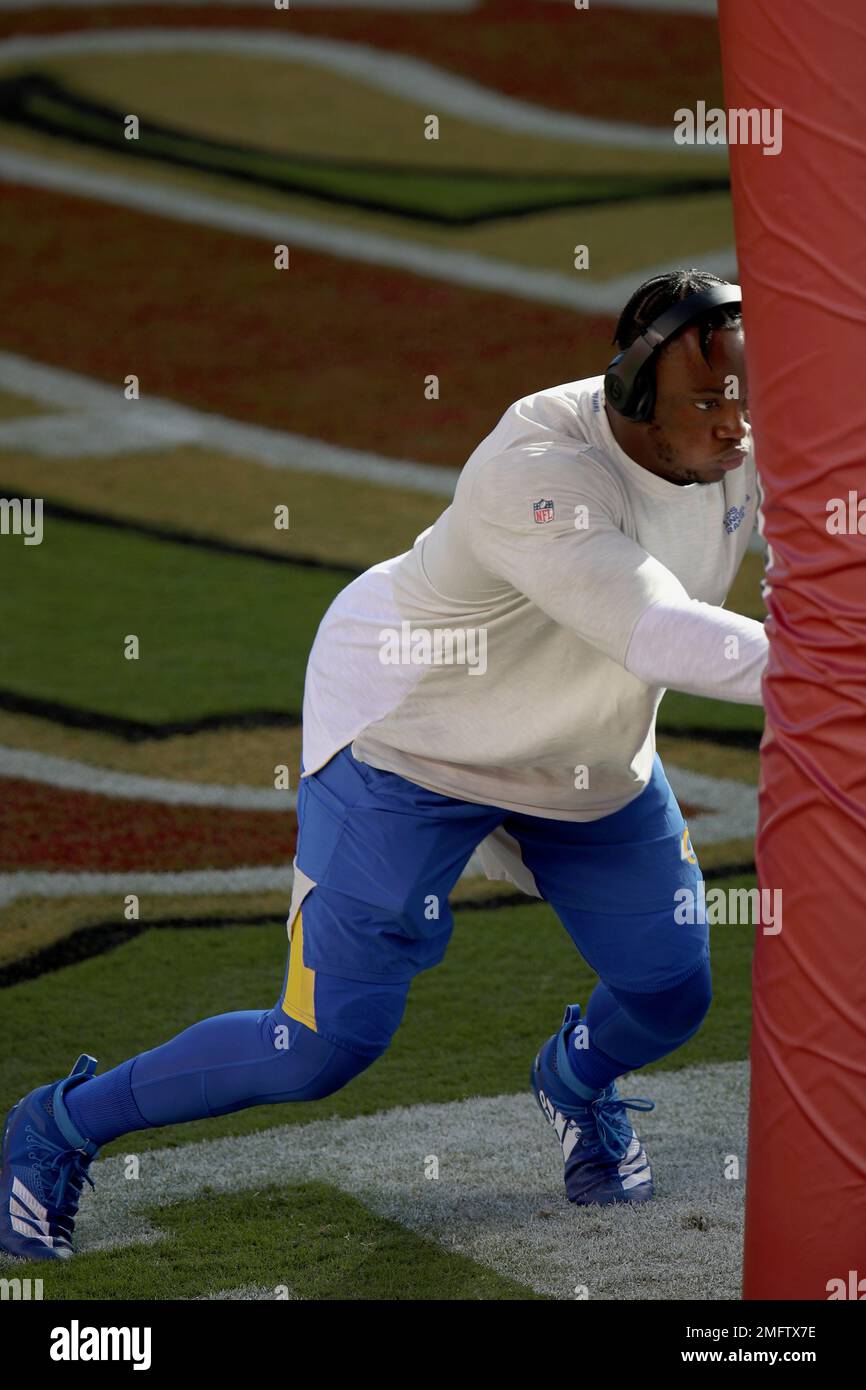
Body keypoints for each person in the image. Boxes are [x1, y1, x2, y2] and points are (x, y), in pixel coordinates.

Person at [0, 269, 766, 1261]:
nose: (736, 429)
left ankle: (573, 1079)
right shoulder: (533, 464)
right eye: (706, 404)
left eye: (745, 397)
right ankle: (56, 1124)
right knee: (318, 1046)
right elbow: (655, 631)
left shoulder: (753, 427)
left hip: (579, 750)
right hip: (412, 742)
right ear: (627, 394)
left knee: (669, 991)